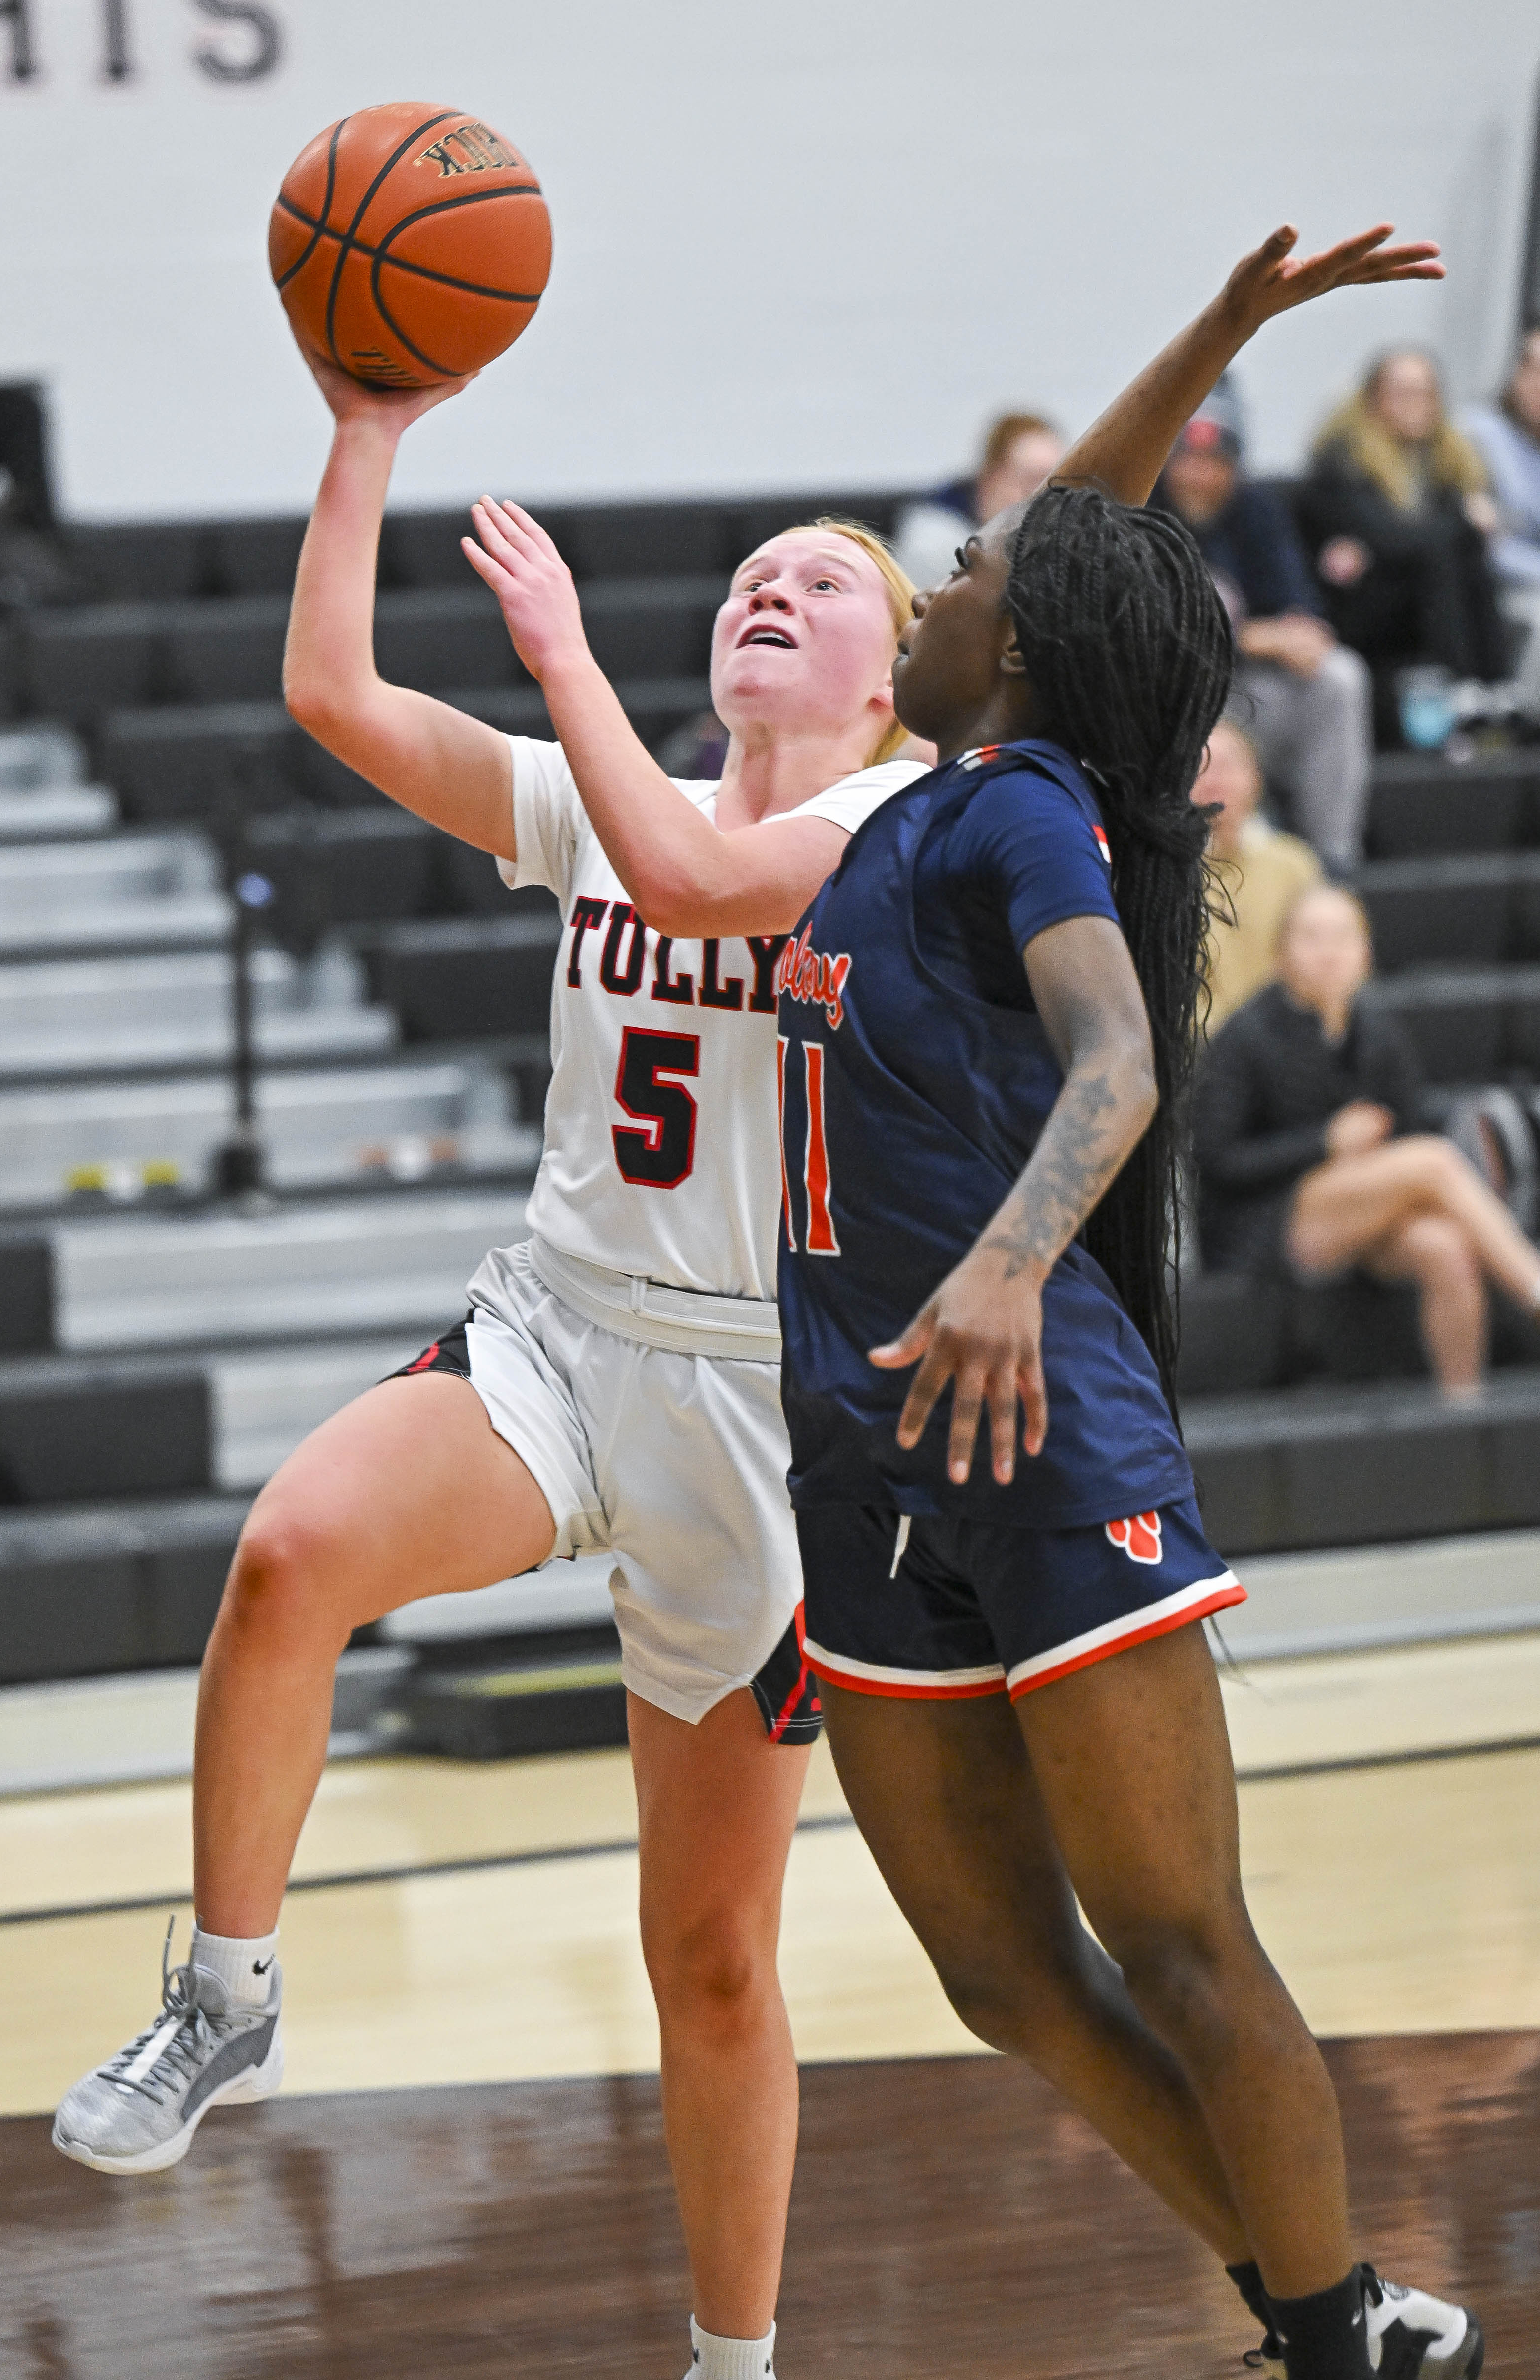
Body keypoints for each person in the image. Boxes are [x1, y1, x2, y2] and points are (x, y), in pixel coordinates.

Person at [55, 217, 1449, 2380]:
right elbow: (332, 691)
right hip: (558, 1331)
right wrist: (362, 433)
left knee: (712, 1954)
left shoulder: (913, 815)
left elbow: (1014, 576)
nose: (759, 589)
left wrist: (559, 657)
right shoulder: (601, 813)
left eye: (816, 579)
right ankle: (223, 1995)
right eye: (744, 572)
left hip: (769, 1419)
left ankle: (748, 2357)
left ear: (895, 672)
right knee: (293, 1548)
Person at [772, 488, 1483, 2380]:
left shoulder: (1018, 802)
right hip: (863, 1463)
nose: (934, 590)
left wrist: (1013, 1262)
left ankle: (1333, 2333)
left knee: (1178, 1940)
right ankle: (1334, 2315)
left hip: (1038, 1436)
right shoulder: (908, 811)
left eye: (972, 572)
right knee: (1002, 1975)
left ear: (1012, 649)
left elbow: (1118, 1060)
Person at [1193, 881, 1540, 1397]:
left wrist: (1372, 1169)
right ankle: (1533, 1289)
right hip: (1260, 1225)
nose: (1328, 951)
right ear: (1280, 953)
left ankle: (1464, 1417)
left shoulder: (1380, 1034)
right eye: (1311, 936)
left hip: (1363, 1214)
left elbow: (1408, 1130)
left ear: (1366, 953)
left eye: (1342, 936)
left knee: (1446, 1248)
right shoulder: (1245, 1038)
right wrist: (1325, 1144)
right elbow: (1218, 1162)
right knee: (1435, 1161)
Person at [1152, 379, 1372, 868]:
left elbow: (1298, 604)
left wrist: (1304, 633)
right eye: (1189, 460)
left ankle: (1333, 860)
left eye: (1216, 463)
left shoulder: (1256, 508)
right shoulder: (1143, 515)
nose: (1201, 475)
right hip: (1172, 708)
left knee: (1340, 676)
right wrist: (1256, 636)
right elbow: (1165, 636)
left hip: (1250, 693)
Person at [1298, 349, 1508, 740]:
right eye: (1403, 392)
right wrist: (1465, 521)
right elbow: (1391, 540)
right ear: (1373, 398)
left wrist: (1465, 528)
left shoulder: (1448, 462)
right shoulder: (1343, 462)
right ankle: (1458, 683)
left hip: (1418, 610)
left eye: (1426, 392)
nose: (1416, 403)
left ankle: (1495, 685)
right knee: (1441, 551)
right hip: (1356, 612)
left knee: (1467, 553)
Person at [1197, 717, 1322, 1034]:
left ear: (1256, 778)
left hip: (1278, 1048)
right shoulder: (1158, 872)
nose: (1215, 779)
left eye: (1227, 765)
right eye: (1199, 766)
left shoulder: (1296, 866)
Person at [893, 409, 1067, 594]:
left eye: (1059, 485)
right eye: (1034, 483)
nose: (1049, 500)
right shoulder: (934, 546)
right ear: (991, 481)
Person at [1463, 326, 1540, 708]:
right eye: (1537, 373)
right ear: (1518, 376)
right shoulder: (1480, 434)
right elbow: (1490, 543)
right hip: (1496, 584)